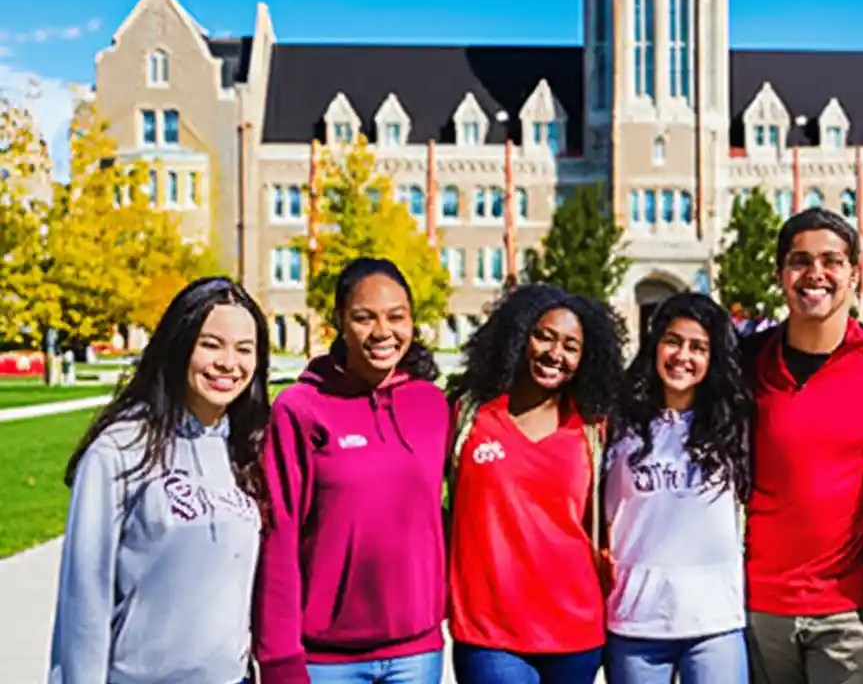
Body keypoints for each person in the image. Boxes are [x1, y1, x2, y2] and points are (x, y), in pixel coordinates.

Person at [49, 276, 270, 684]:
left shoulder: (247, 450)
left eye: (244, 349)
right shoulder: (120, 450)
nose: (228, 363)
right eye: (211, 344)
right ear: (179, 344)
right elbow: (85, 602)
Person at [740, 208, 863, 684]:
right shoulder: (745, 363)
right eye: (800, 260)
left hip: (853, 611)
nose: (815, 274)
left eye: (831, 261)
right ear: (781, 273)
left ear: (854, 274)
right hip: (760, 608)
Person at [253, 258, 450, 684]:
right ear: (340, 322)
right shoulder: (300, 409)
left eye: (397, 317)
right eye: (364, 318)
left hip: (417, 654)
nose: (383, 332)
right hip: (325, 661)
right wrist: (278, 657)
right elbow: (278, 535)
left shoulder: (433, 406)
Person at [447, 283, 624, 684]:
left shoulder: (593, 428)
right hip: (488, 631)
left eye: (570, 346)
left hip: (574, 631)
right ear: (518, 335)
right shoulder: (470, 416)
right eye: (543, 336)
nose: (554, 354)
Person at [603, 292, 754, 684]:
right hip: (636, 622)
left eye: (698, 347)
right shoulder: (619, 422)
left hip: (714, 622)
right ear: (655, 345)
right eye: (673, 341)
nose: (682, 356)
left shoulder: (734, 424)